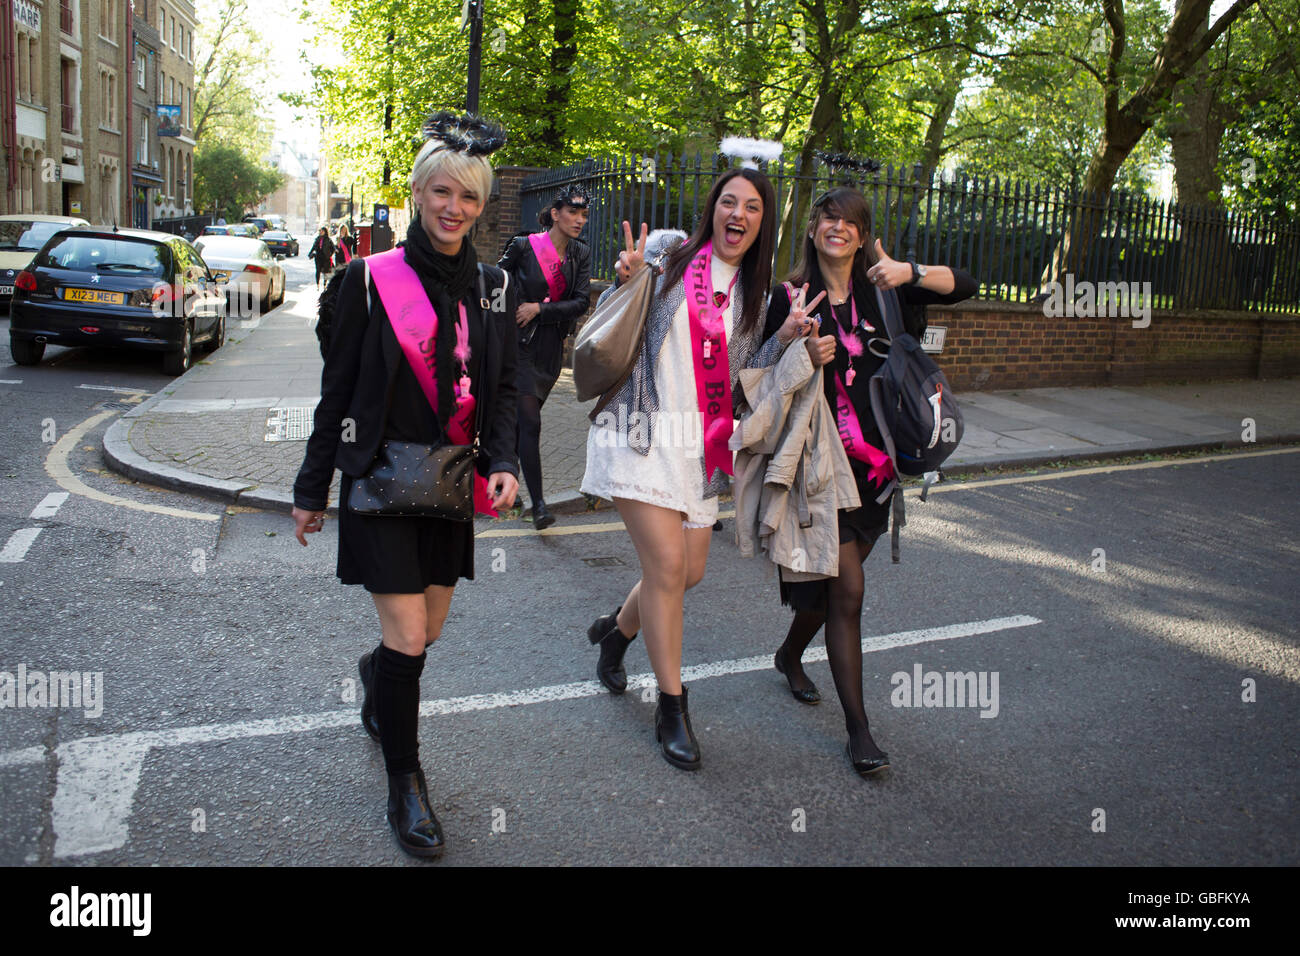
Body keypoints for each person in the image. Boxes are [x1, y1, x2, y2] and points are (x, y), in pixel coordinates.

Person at [291, 112, 519, 858]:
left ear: (482, 208)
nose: (454, 209)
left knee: (422, 638)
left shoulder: (493, 288)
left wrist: (506, 462)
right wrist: (310, 485)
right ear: (419, 192)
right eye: (442, 192)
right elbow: (337, 389)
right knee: (413, 637)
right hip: (379, 482)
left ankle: (376, 673)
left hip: (449, 486)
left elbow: (507, 390)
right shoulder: (367, 280)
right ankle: (407, 784)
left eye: (470, 199)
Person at [581, 164, 832, 771]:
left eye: (751, 207)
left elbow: (748, 381)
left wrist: (789, 338)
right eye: (729, 201)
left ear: (761, 222)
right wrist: (627, 275)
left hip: (697, 448)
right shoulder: (669, 254)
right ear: (713, 209)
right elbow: (623, 303)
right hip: (639, 431)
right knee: (666, 567)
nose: (738, 214)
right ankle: (673, 706)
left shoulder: (760, 296)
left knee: (687, 572)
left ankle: (616, 634)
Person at [763, 186, 976, 777]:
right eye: (828, 218)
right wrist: (796, 347)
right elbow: (752, 375)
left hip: (877, 471)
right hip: (818, 469)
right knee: (849, 592)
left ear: (862, 233)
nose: (838, 228)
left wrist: (911, 269)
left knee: (827, 594)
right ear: (812, 230)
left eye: (850, 221)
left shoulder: (886, 291)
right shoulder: (791, 297)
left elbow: (967, 285)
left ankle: (788, 653)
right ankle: (860, 732)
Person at [497, 186, 592, 529]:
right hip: (518, 347)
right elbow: (497, 283)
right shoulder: (523, 246)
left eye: (583, 214)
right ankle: (539, 505)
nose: (580, 220)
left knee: (524, 424)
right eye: (573, 213)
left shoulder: (580, 254)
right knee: (530, 423)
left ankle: (505, 481)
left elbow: (581, 301)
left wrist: (540, 307)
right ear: (555, 214)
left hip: (550, 353)